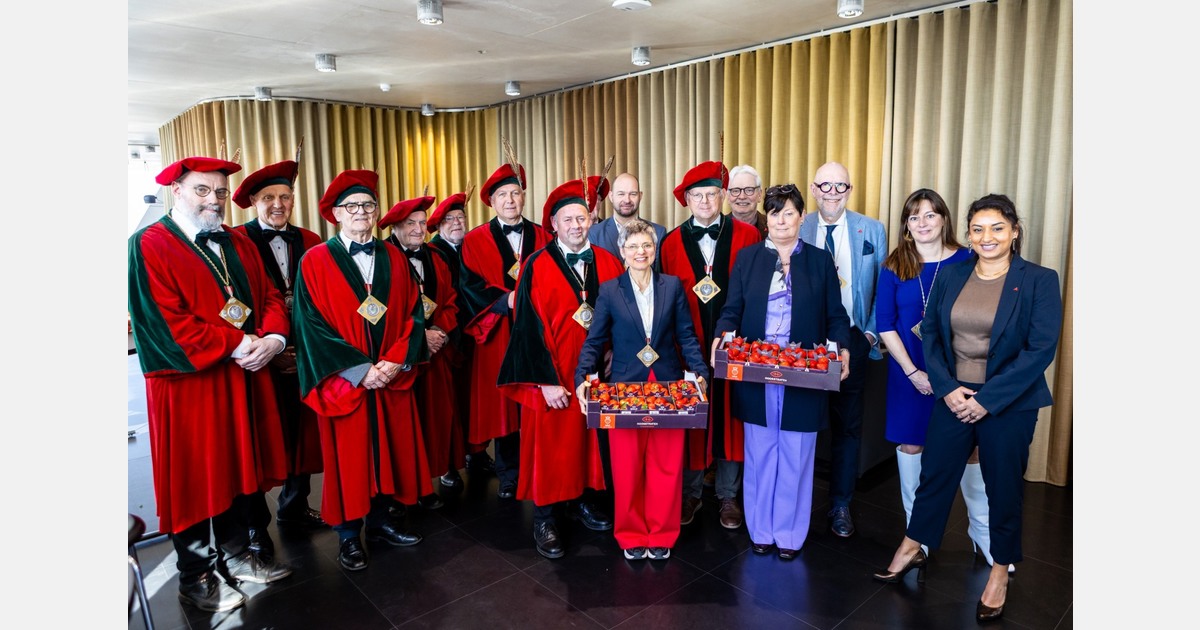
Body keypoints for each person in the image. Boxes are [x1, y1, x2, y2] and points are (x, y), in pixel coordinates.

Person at [873, 194, 1062, 624]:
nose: (986, 237)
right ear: (969, 234)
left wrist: (988, 400)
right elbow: (934, 337)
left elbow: (1039, 350)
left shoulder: (1038, 279)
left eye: (997, 228)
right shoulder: (953, 274)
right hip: (954, 396)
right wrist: (948, 388)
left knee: (1003, 486)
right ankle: (912, 544)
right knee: (935, 476)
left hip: (1008, 403)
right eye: (977, 228)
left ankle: (998, 571)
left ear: (1014, 231)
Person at [128, 156, 293, 612]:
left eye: (220, 192)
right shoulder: (148, 244)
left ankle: (239, 556)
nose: (214, 200)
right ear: (176, 190)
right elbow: (163, 324)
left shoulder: (237, 240)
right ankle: (195, 575)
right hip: (190, 385)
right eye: (202, 190)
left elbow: (269, 297)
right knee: (195, 476)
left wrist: (275, 338)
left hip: (243, 377)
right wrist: (242, 343)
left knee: (239, 470)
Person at [291, 169, 432, 572]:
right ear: (336, 213)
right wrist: (359, 370)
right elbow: (310, 325)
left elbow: (413, 315)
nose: (361, 213)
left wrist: (394, 360)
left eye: (368, 206)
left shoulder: (395, 257)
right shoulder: (314, 261)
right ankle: (349, 535)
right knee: (349, 459)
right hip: (345, 381)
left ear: (376, 212)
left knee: (390, 450)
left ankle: (384, 520)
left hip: (389, 375)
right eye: (351, 207)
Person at [874, 188, 1014, 572]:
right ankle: (916, 536)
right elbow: (884, 325)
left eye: (930, 215)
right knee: (912, 447)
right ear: (906, 225)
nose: (922, 223)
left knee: (973, 449)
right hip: (910, 371)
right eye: (914, 216)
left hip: (961, 372)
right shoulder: (893, 266)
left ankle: (982, 535)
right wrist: (913, 372)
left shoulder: (969, 259)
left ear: (944, 220)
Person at [710, 184, 852, 559]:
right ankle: (761, 530)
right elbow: (732, 309)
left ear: (802, 217)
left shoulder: (820, 261)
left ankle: (789, 534)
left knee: (796, 453)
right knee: (759, 452)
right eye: (774, 213)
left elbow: (836, 317)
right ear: (766, 218)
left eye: (789, 212)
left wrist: (843, 350)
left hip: (804, 372)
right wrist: (721, 337)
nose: (782, 220)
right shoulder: (748, 258)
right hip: (756, 370)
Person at [497, 176, 623, 559]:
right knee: (552, 448)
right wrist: (544, 382)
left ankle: (582, 500)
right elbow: (526, 327)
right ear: (553, 224)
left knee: (589, 443)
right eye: (566, 219)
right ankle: (545, 517)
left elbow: (624, 313)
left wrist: (616, 352)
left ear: (591, 220)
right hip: (554, 375)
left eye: (581, 218)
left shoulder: (608, 261)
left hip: (595, 375)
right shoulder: (535, 264)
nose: (575, 225)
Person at [574, 218, 710, 561]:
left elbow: (686, 335)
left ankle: (662, 534)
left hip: (667, 387)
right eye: (633, 246)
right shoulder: (609, 290)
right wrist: (581, 378)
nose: (640, 251)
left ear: (655, 249)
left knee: (666, 465)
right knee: (627, 466)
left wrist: (699, 371)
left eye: (646, 245)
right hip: (624, 387)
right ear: (622, 252)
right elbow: (595, 340)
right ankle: (631, 534)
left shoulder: (672, 286)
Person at [231, 159, 328, 550]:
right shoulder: (235, 241)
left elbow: (323, 299)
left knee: (301, 432)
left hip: (304, 353)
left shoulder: (311, 239)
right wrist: (268, 347)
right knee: (258, 435)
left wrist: (301, 348)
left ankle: (295, 505)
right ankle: (255, 524)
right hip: (256, 354)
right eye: (268, 197)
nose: (278, 204)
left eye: (285, 197)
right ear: (254, 200)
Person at [658, 160, 761, 530]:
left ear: (723, 196)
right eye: (697, 195)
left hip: (735, 347)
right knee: (692, 416)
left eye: (712, 194)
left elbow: (756, 294)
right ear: (686, 200)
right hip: (688, 348)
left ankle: (728, 495)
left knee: (731, 419)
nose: (705, 201)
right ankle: (690, 493)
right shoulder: (669, 243)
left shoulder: (749, 237)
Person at [799, 161, 887, 538]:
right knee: (801, 423)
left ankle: (840, 505)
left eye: (841, 186)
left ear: (850, 190)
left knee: (848, 427)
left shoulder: (873, 229)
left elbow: (883, 288)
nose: (833, 193)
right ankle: (796, 502)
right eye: (825, 186)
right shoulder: (796, 226)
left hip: (853, 336)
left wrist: (869, 336)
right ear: (814, 190)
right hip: (805, 341)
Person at [459, 156, 552, 499]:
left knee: (536, 402)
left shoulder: (543, 235)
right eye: (503, 196)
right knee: (504, 406)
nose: (510, 201)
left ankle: (540, 468)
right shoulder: (475, 240)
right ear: (492, 201)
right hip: (497, 332)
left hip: (536, 334)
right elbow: (469, 286)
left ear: (523, 197)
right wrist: (506, 301)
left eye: (515, 193)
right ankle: (509, 473)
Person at [380, 195, 463, 510]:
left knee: (434, 422)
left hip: (436, 354)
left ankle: (428, 483)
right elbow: (383, 315)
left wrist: (440, 331)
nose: (418, 229)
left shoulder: (437, 257)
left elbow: (451, 300)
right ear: (396, 225)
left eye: (421, 223)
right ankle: (400, 495)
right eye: (410, 224)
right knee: (403, 429)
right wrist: (418, 338)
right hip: (401, 359)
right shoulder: (384, 258)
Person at [426, 188, 490, 482]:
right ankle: (449, 462)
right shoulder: (432, 254)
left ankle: (476, 453)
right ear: (438, 226)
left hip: (476, 334)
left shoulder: (475, 246)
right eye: (449, 219)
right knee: (448, 405)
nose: (457, 223)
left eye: (460, 217)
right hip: (446, 339)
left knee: (475, 399)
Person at [589, 172, 667, 261]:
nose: (627, 200)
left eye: (633, 194)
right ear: (611, 196)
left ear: (640, 196)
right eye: (621, 194)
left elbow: (659, 273)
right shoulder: (593, 234)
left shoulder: (659, 233)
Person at [726, 164, 768, 238]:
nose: (742, 197)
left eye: (749, 190)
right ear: (728, 196)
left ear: (759, 195)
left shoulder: (773, 226)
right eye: (735, 191)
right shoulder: (717, 228)